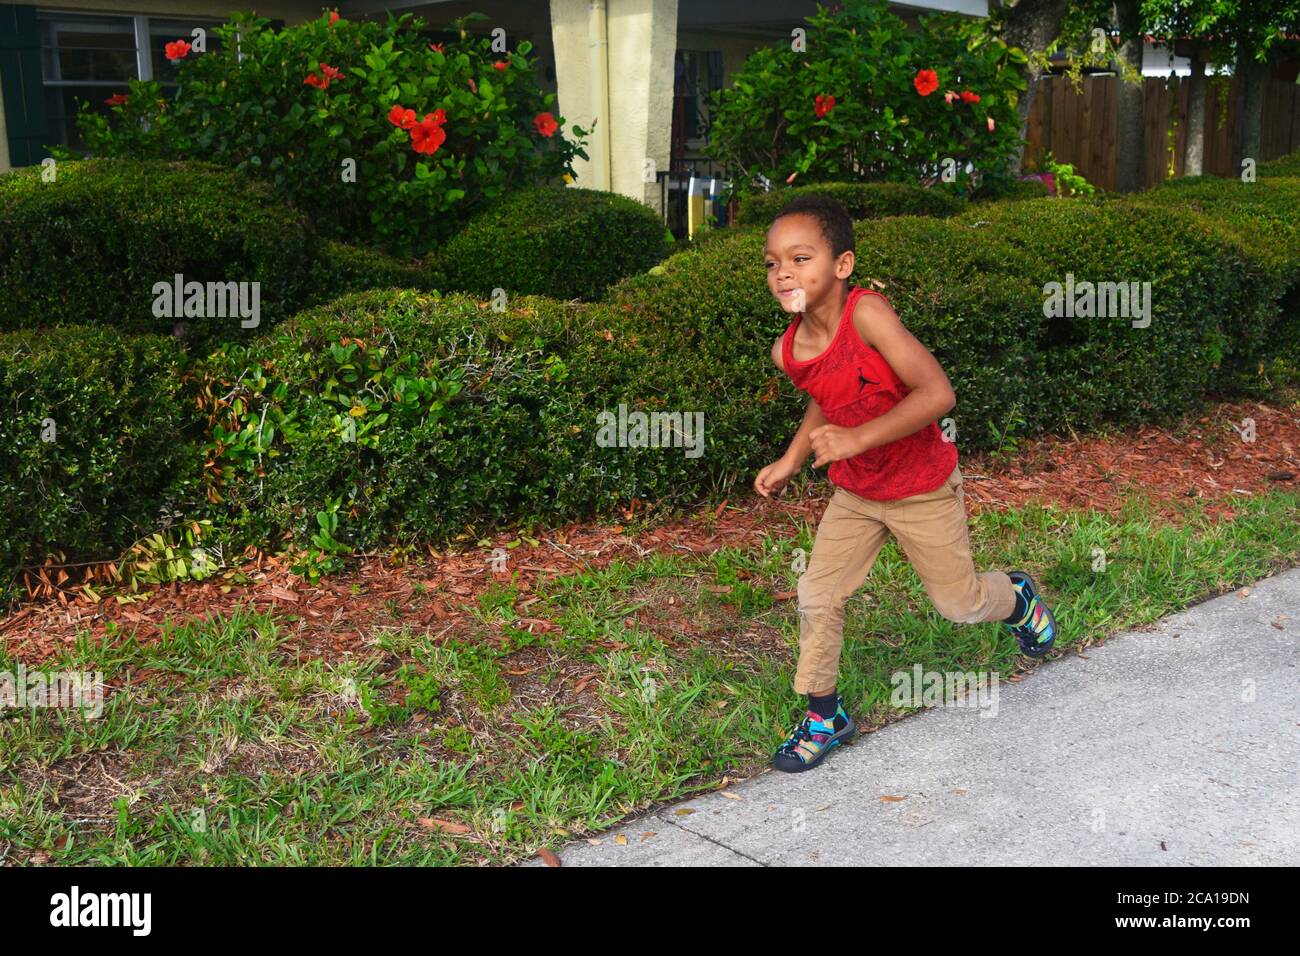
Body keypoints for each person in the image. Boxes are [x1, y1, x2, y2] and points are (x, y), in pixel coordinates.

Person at [754, 194, 1058, 773]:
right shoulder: (788, 349)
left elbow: (937, 393)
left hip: (920, 485)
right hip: (857, 493)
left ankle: (1015, 597)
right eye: (772, 263)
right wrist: (793, 457)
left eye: (799, 258)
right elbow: (826, 400)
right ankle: (825, 714)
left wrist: (857, 438)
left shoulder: (867, 315)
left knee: (961, 603)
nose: (783, 273)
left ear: (841, 266)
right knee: (817, 594)